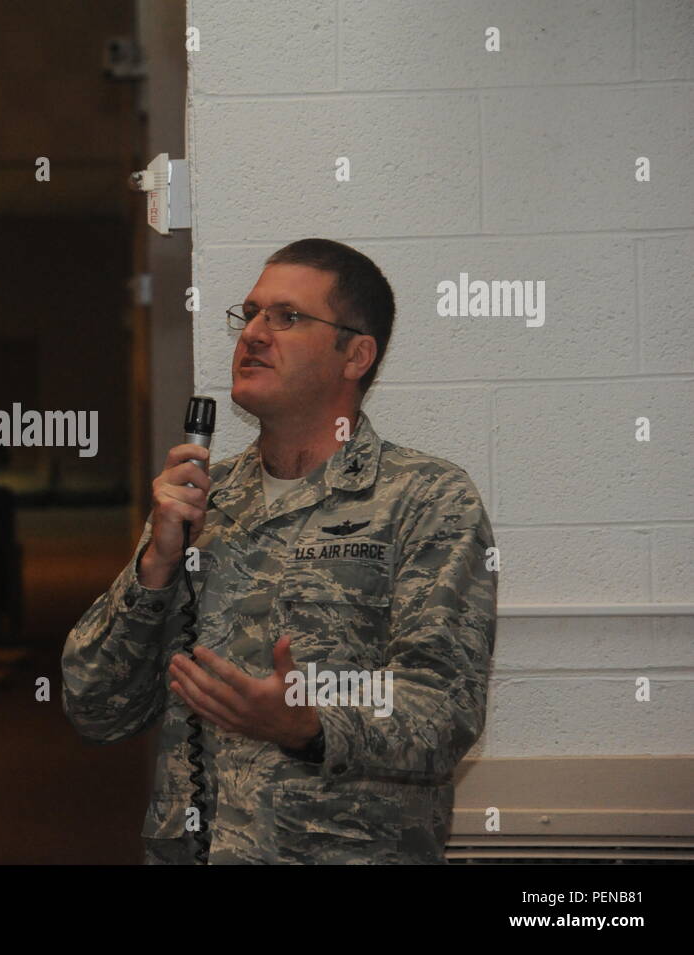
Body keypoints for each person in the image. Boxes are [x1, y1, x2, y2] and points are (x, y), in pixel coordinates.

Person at [61, 238, 497, 864]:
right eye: (250, 314)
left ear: (357, 355)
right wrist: (154, 568)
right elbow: (94, 706)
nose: (254, 335)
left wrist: (312, 725)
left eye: (287, 317)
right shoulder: (197, 500)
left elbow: (446, 710)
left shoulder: (426, 498)